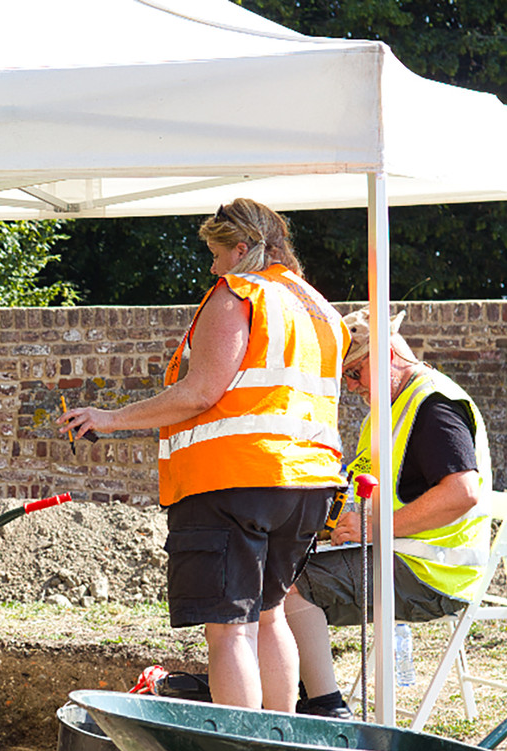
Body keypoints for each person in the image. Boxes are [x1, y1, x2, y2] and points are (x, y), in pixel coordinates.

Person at [59, 198, 347, 713]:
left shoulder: (237, 294)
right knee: (269, 614)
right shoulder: (317, 307)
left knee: (230, 629)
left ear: (241, 249)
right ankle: (279, 745)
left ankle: (240, 750)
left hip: (235, 481)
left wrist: (109, 418)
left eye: (216, 255)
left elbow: (199, 392)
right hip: (308, 482)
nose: (212, 268)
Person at [285, 309, 491, 719]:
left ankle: (326, 710)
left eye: (356, 372)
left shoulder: (432, 405)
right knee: (278, 569)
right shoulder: (387, 412)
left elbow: (462, 493)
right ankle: (299, 698)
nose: (353, 386)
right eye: (346, 377)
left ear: (390, 353)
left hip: (431, 570)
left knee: (287, 585)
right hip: (404, 555)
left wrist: (374, 528)